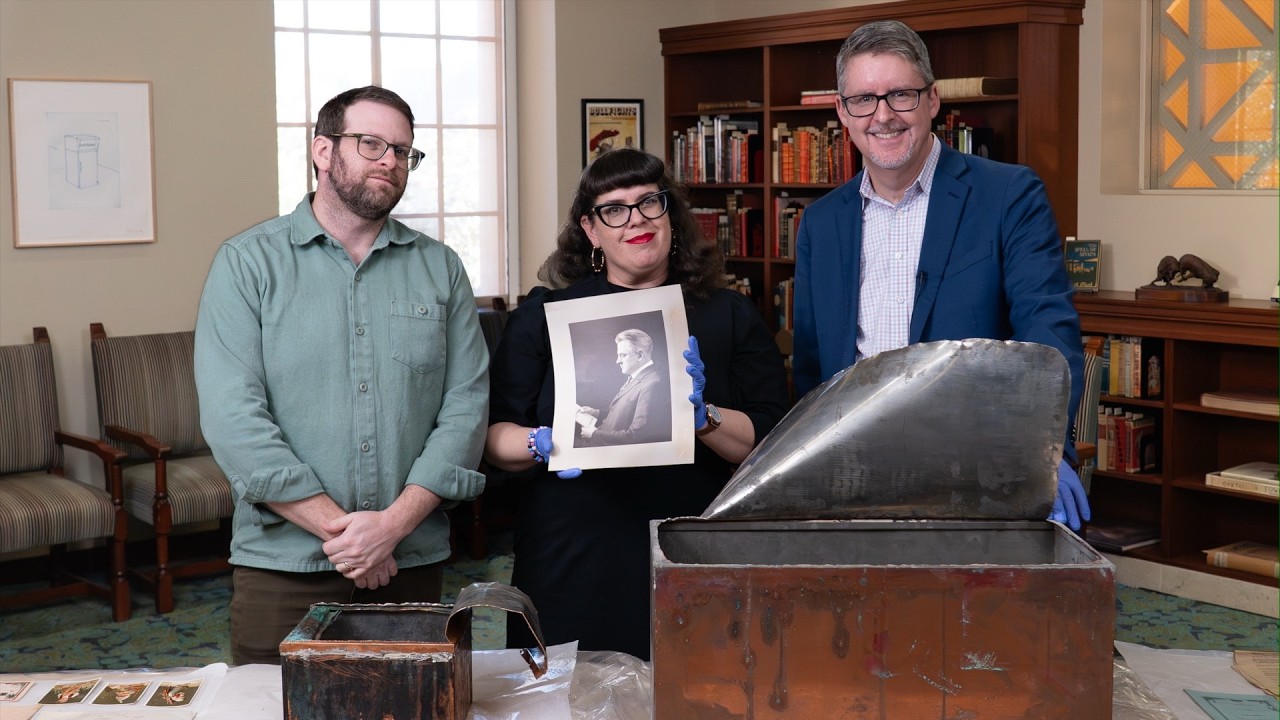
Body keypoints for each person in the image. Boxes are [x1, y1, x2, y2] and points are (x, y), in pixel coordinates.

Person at [194, 86, 489, 665]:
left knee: (412, 704)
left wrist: (391, 528)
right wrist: (350, 536)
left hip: (410, 558)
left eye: (402, 151)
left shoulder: (441, 268)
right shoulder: (247, 263)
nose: (390, 161)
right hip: (284, 565)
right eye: (372, 143)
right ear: (323, 151)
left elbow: (466, 407)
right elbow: (234, 419)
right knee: (273, 704)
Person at [485, 148, 790, 660]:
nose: (636, 220)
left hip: (690, 547)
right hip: (571, 550)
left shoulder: (730, 315)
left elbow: (770, 443)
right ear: (591, 229)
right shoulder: (546, 317)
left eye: (649, 202)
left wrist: (705, 418)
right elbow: (494, 439)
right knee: (563, 692)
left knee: (696, 686)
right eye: (614, 209)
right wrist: (540, 443)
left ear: (670, 213)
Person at [792, 20, 1090, 529]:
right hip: (852, 477)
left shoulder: (1008, 195)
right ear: (842, 112)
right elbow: (811, 369)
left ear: (932, 100)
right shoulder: (821, 223)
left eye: (900, 95)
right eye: (863, 99)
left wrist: (1044, 448)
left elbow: (1048, 331)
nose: (883, 116)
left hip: (981, 473)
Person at [575, 328, 672, 447]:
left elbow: (636, 436)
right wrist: (597, 413)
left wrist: (594, 435)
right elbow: (624, 414)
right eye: (618, 355)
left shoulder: (652, 384)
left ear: (640, 355)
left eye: (623, 355)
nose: (617, 361)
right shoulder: (636, 377)